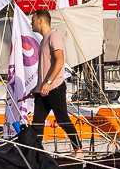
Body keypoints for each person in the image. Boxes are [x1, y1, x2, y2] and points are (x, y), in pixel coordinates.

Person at [21, 8, 82, 152]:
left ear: (41, 21)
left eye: (33, 20)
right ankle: (37, 154)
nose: (31, 23)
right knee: (37, 124)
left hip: (55, 87)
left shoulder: (54, 36)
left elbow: (59, 61)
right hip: (43, 89)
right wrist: (36, 88)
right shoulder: (43, 40)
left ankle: (78, 150)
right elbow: (45, 67)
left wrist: (48, 83)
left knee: (62, 120)